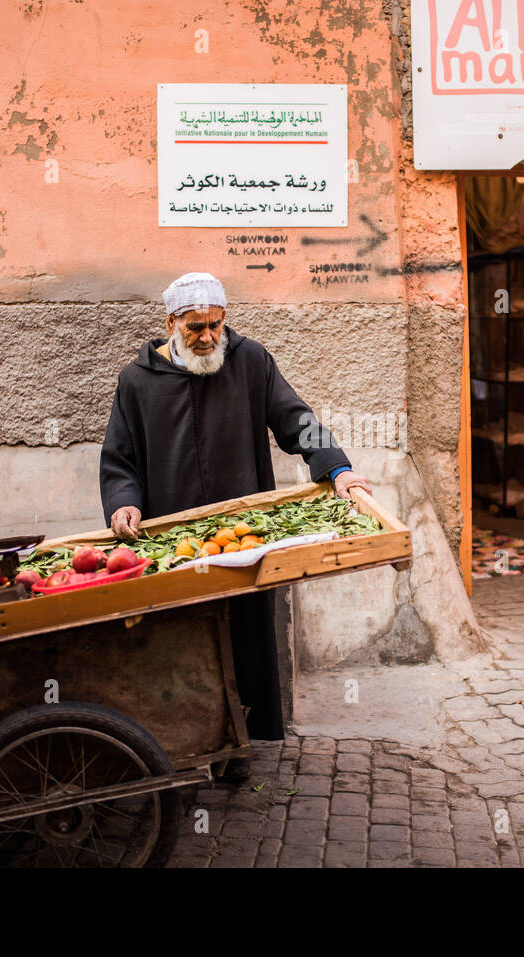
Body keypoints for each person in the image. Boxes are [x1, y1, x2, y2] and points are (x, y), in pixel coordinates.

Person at [99, 272, 371, 780]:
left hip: (243, 535)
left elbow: (296, 419)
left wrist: (338, 468)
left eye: (216, 327)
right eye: (195, 328)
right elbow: (121, 458)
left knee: (244, 635)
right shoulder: (137, 381)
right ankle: (183, 741)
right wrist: (122, 504)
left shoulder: (250, 361)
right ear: (171, 323)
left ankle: (237, 745)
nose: (207, 338)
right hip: (174, 540)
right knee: (182, 637)